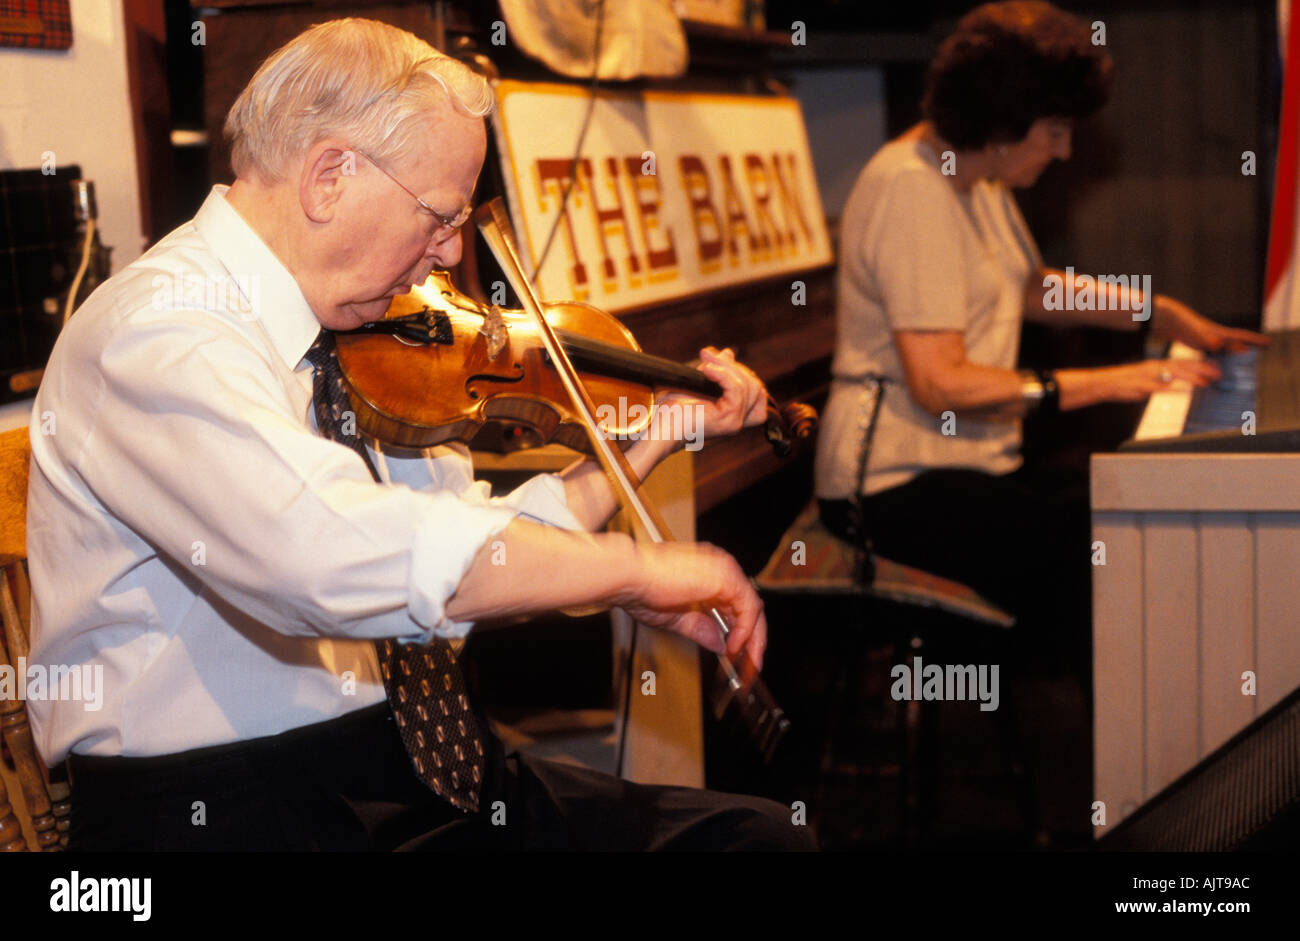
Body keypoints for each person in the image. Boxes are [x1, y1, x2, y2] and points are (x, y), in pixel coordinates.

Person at [25, 18, 812, 851]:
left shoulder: (373, 346)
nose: (449, 254)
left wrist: (659, 433)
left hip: (412, 771)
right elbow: (323, 553)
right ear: (330, 175)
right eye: (439, 216)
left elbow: (462, 552)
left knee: (751, 838)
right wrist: (633, 569)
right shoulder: (158, 332)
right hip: (224, 807)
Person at [813, 1, 1266, 671]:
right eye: (1055, 128)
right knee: (1091, 552)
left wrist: (1158, 313)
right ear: (1003, 121)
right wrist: (1108, 382)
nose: (1064, 149)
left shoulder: (977, 177)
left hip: (963, 464)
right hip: (884, 485)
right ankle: (1129, 749)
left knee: (1119, 509)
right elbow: (940, 382)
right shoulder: (913, 191)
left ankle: (1146, 728)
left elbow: (1027, 287)